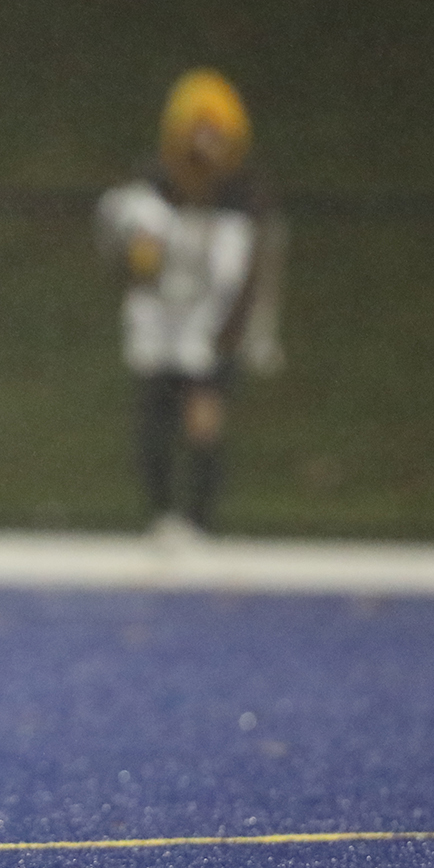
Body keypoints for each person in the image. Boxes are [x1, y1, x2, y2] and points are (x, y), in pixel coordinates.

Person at [96, 68, 279, 537]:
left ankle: (200, 518)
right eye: (198, 131)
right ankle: (161, 514)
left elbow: (251, 269)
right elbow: (130, 261)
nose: (206, 143)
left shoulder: (242, 194)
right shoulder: (154, 187)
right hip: (162, 322)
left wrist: (233, 331)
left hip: (213, 323)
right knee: (154, 414)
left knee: (204, 416)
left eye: (216, 132)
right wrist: (140, 259)